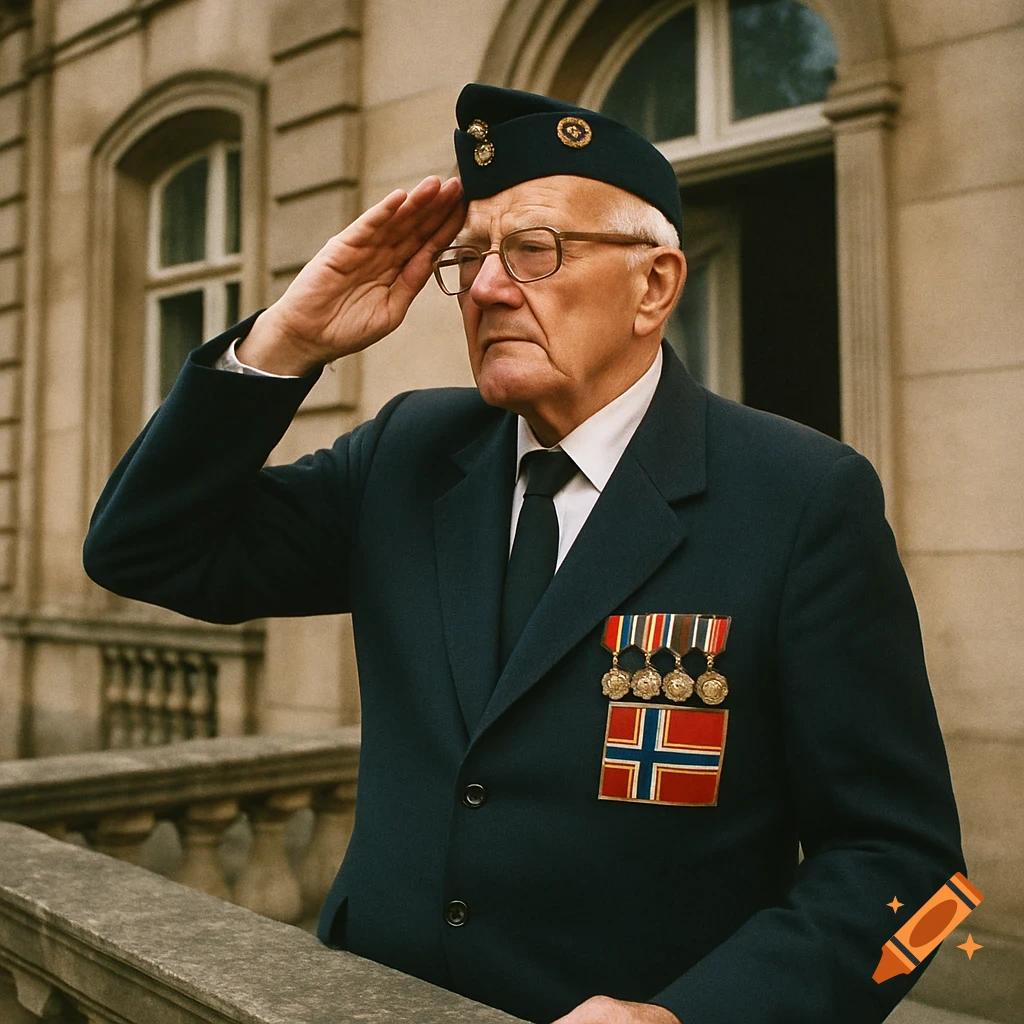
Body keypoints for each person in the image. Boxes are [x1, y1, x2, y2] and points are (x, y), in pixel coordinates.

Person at [83, 84, 965, 1024]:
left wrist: (689, 1018)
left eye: (534, 250)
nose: (491, 287)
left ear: (655, 285)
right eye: (469, 259)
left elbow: (918, 880)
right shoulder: (410, 454)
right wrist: (284, 342)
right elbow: (141, 548)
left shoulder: (800, 498)